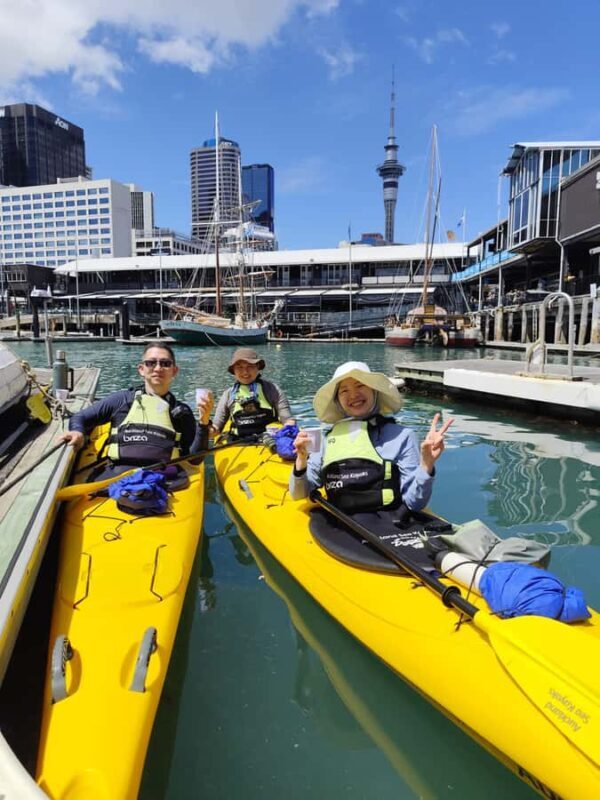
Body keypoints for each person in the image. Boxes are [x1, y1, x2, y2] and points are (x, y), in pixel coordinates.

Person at [290, 361, 453, 515]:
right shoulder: (327, 440)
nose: (353, 395)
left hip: (389, 525)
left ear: (375, 392)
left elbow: (414, 503)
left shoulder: (403, 436)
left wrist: (426, 465)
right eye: (344, 391)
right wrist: (301, 460)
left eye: (360, 385)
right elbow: (299, 494)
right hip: (341, 527)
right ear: (338, 401)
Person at [60, 342, 214, 479]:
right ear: (141, 369)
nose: (158, 368)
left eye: (165, 363)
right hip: (118, 475)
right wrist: (77, 432)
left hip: (165, 477)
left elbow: (194, 459)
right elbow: (80, 417)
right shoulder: (121, 400)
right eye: (151, 363)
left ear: (174, 371)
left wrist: (203, 423)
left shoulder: (181, 412)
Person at [212, 347, 294, 439]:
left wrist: (292, 433)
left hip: (270, 439)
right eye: (239, 367)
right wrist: (205, 424)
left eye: (250, 366)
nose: (245, 372)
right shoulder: (228, 394)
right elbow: (216, 428)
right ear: (233, 370)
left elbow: (287, 419)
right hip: (238, 442)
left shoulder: (272, 389)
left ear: (258, 367)